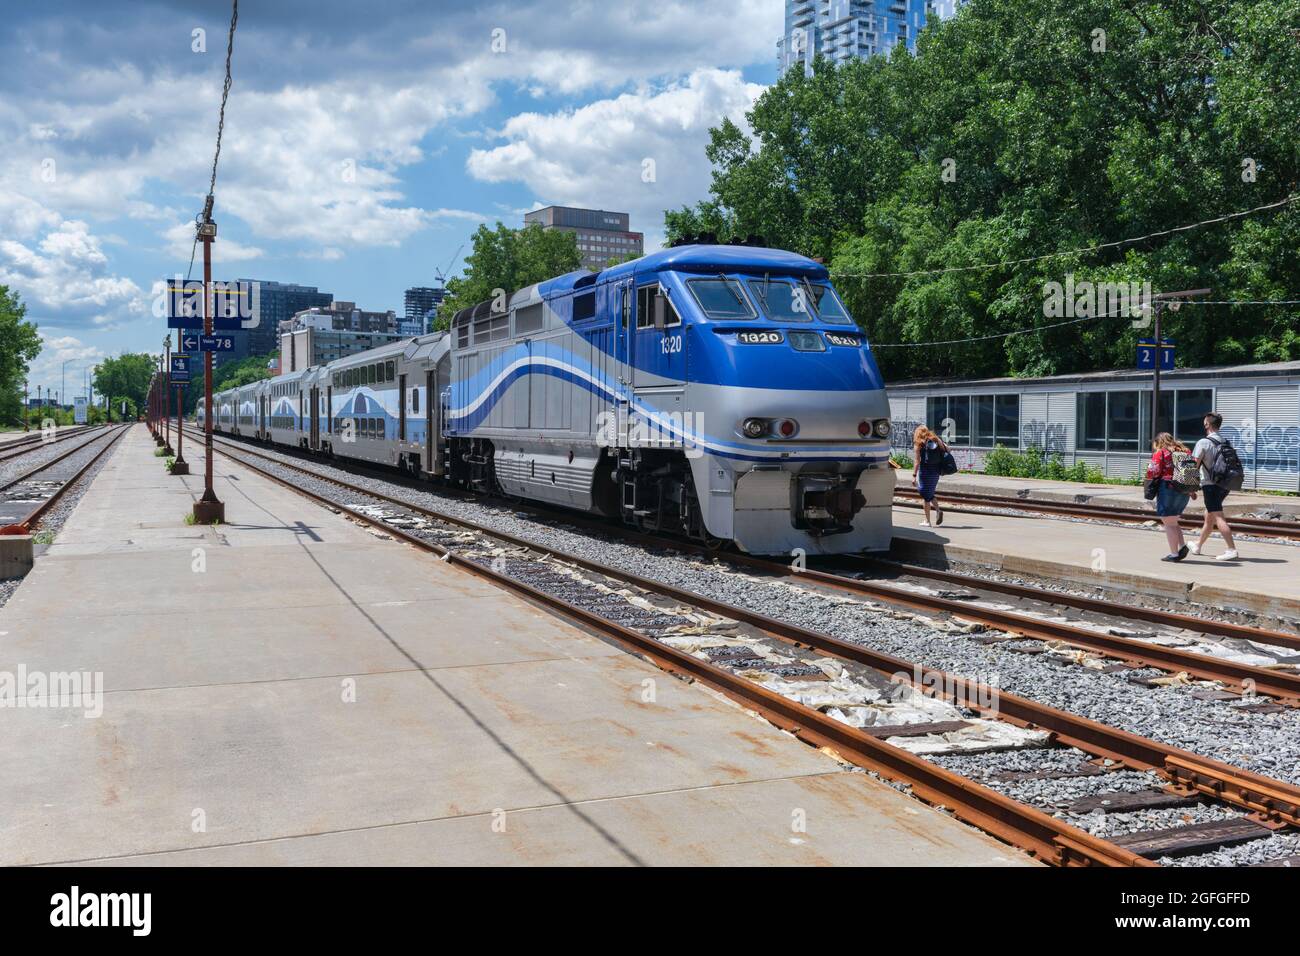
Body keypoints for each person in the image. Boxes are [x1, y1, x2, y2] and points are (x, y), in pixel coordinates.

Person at [1190, 412, 1238, 561]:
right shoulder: (1226, 441)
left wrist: (1189, 488)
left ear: (1207, 425)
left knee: (1218, 516)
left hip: (1210, 485)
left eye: (1204, 422)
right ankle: (1198, 545)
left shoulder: (1203, 442)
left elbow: (1193, 465)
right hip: (1224, 484)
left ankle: (1231, 549)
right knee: (1209, 516)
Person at [1146, 432, 1196, 561]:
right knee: (1173, 521)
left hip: (1167, 489)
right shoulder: (1185, 451)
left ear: (1158, 442)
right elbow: (1191, 471)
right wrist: (1192, 491)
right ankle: (1182, 546)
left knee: (1168, 523)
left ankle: (1174, 554)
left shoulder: (1161, 452)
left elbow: (1153, 470)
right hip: (1184, 490)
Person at [911, 425, 948, 527]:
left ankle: (927, 521)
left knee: (925, 496)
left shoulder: (918, 444)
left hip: (925, 472)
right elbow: (947, 450)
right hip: (936, 471)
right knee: (929, 493)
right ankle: (938, 510)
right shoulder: (935, 440)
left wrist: (914, 475)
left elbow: (917, 461)